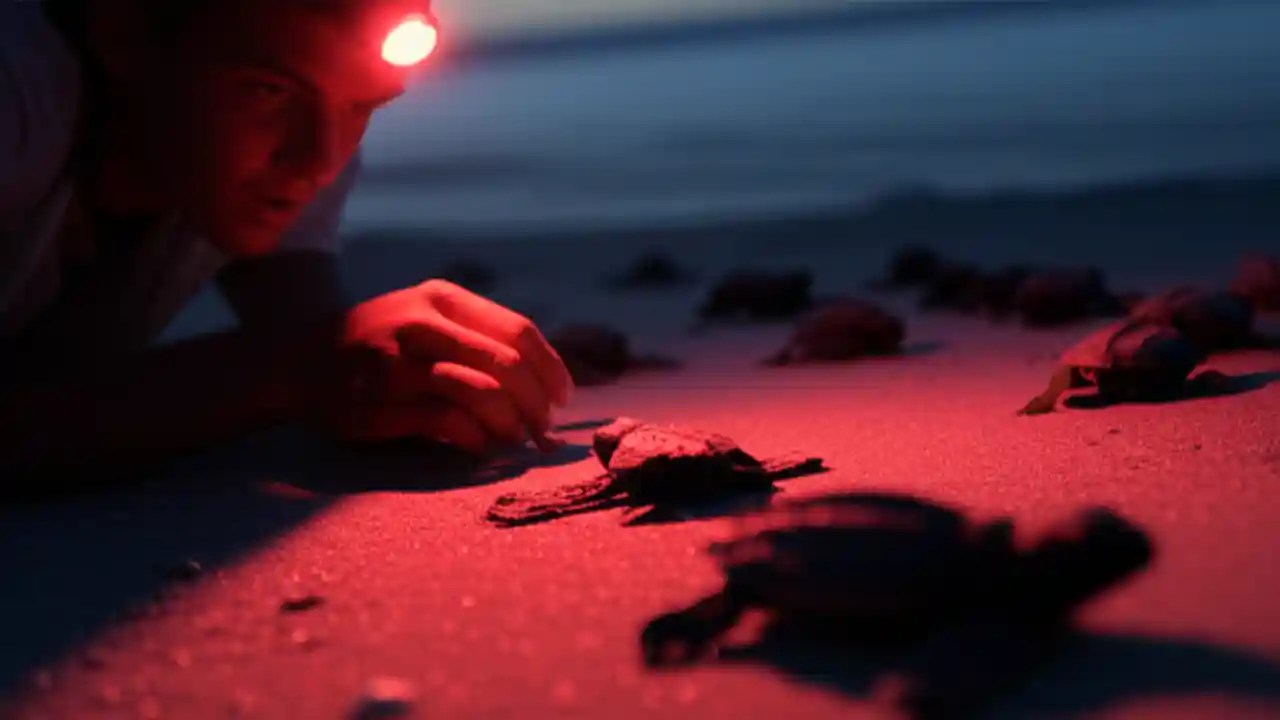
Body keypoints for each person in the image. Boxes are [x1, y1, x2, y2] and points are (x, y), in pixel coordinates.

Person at [0, 0, 575, 486]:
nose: (320, 162)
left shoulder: (278, 164)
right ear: (123, 30)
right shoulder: (19, 91)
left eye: (363, 106)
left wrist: (435, 365)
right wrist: (297, 369)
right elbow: (299, 362)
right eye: (268, 91)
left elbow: (316, 340)